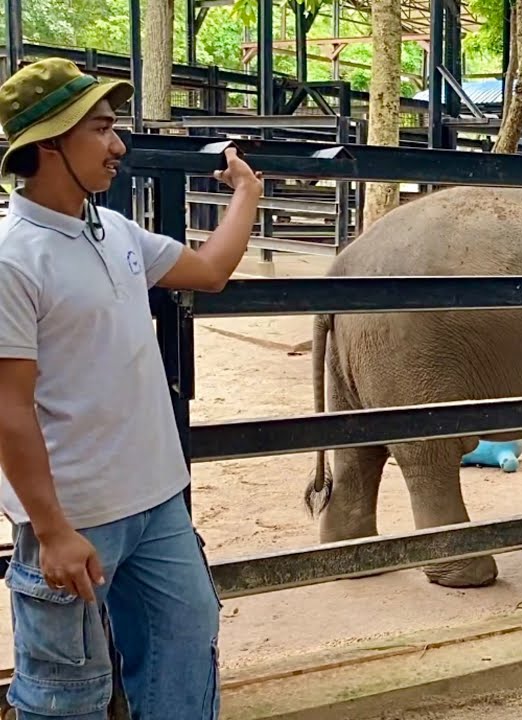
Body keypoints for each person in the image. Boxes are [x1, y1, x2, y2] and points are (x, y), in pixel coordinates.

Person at [0, 58, 262, 719]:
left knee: (187, 641)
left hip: (156, 499)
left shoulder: (112, 230)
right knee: (66, 693)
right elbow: (8, 408)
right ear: (50, 143)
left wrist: (247, 192)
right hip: (76, 513)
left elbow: (208, 270)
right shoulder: (11, 258)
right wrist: (52, 531)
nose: (118, 145)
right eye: (101, 129)